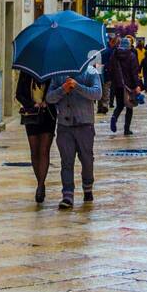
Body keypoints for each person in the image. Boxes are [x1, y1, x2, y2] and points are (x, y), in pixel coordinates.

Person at [46, 65, 102, 209]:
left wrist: (77, 86)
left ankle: (88, 187)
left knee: (87, 159)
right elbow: (49, 98)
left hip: (85, 124)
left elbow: (97, 94)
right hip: (65, 125)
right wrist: (62, 89)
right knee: (66, 161)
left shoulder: (91, 72)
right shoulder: (58, 75)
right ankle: (67, 195)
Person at [15, 68, 56, 204]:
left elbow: (57, 91)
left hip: (48, 115)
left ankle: (40, 185)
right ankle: (40, 181)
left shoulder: (53, 72)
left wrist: (47, 101)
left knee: (44, 150)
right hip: (31, 114)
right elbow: (19, 94)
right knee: (34, 150)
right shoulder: (26, 72)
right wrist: (32, 104)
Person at [108, 36, 141, 135]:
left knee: (119, 105)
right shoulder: (131, 56)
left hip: (118, 84)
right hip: (129, 86)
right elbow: (134, 72)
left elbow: (111, 69)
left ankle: (114, 117)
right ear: (129, 46)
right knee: (129, 107)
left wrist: (114, 81)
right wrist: (136, 85)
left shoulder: (114, 54)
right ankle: (126, 129)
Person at [97, 35, 118, 114]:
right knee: (106, 90)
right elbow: (112, 63)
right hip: (107, 73)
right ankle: (104, 105)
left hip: (99, 72)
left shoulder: (100, 50)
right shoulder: (111, 51)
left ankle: (100, 107)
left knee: (100, 89)